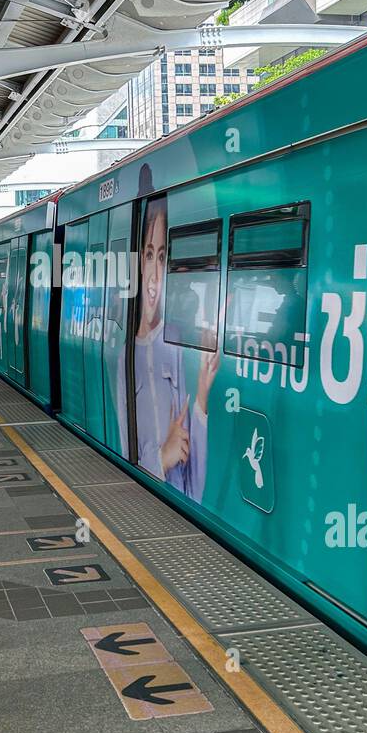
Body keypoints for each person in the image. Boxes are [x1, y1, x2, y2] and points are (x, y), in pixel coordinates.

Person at [121, 167, 215, 503]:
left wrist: (202, 398)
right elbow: (123, 448)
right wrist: (161, 457)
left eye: (164, 257)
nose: (156, 274)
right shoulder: (123, 354)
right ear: (139, 262)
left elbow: (195, 490)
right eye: (149, 254)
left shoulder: (176, 342)